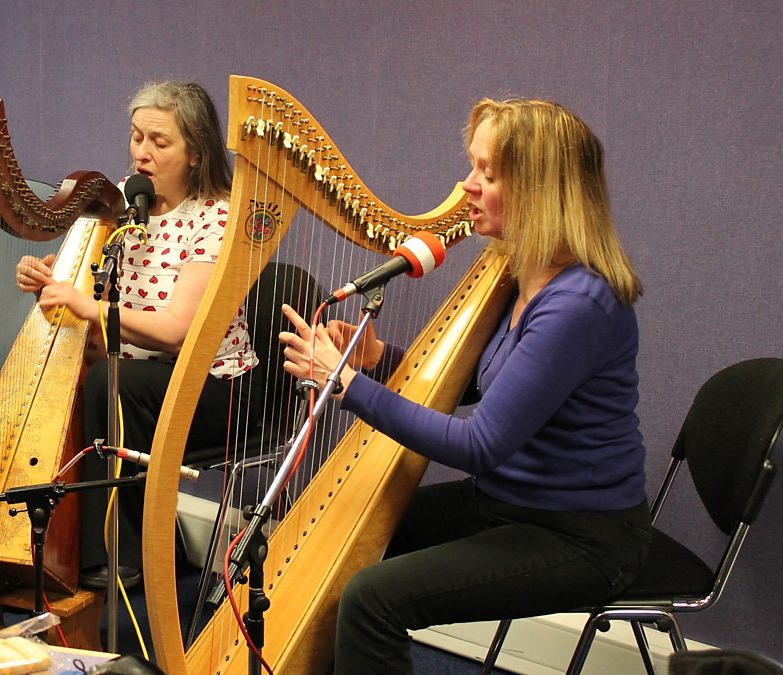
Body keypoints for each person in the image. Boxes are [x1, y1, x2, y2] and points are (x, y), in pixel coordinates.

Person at [278, 98, 652, 673]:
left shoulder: (578, 303)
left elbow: (479, 444)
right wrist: (379, 358)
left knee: (373, 598)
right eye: (472, 166)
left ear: (540, 190)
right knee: (343, 541)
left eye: (488, 173)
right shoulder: (520, 272)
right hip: (509, 503)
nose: (466, 186)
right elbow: (484, 384)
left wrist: (346, 382)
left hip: (579, 535)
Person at [15, 81, 261, 590]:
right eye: (135, 137)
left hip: (215, 387)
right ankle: (120, 548)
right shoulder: (131, 209)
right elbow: (110, 321)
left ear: (196, 153)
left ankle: (121, 555)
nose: (141, 153)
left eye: (159, 142)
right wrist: (53, 284)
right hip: (144, 378)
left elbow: (176, 333)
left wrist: (89, 304)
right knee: (96, 377)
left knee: (110, 383)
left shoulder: (216, 217)